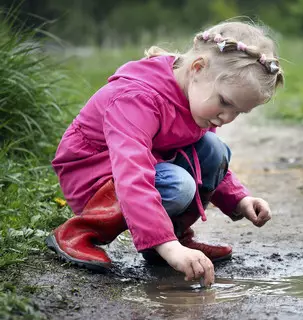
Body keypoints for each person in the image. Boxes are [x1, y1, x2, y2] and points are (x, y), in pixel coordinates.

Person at [46, 20, 284, 287]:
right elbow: (132, 173)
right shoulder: (137, 98)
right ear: (198, 68)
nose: (227, 117)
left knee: (213, 149)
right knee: (178, 186)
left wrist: (239, 199)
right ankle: (80, 233)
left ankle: (170, 237)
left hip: (148, 165)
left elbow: (201, 158)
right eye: (225, 102)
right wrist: (168, 247)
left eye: (238, 111)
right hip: (94, 173)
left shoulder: (197, 95)